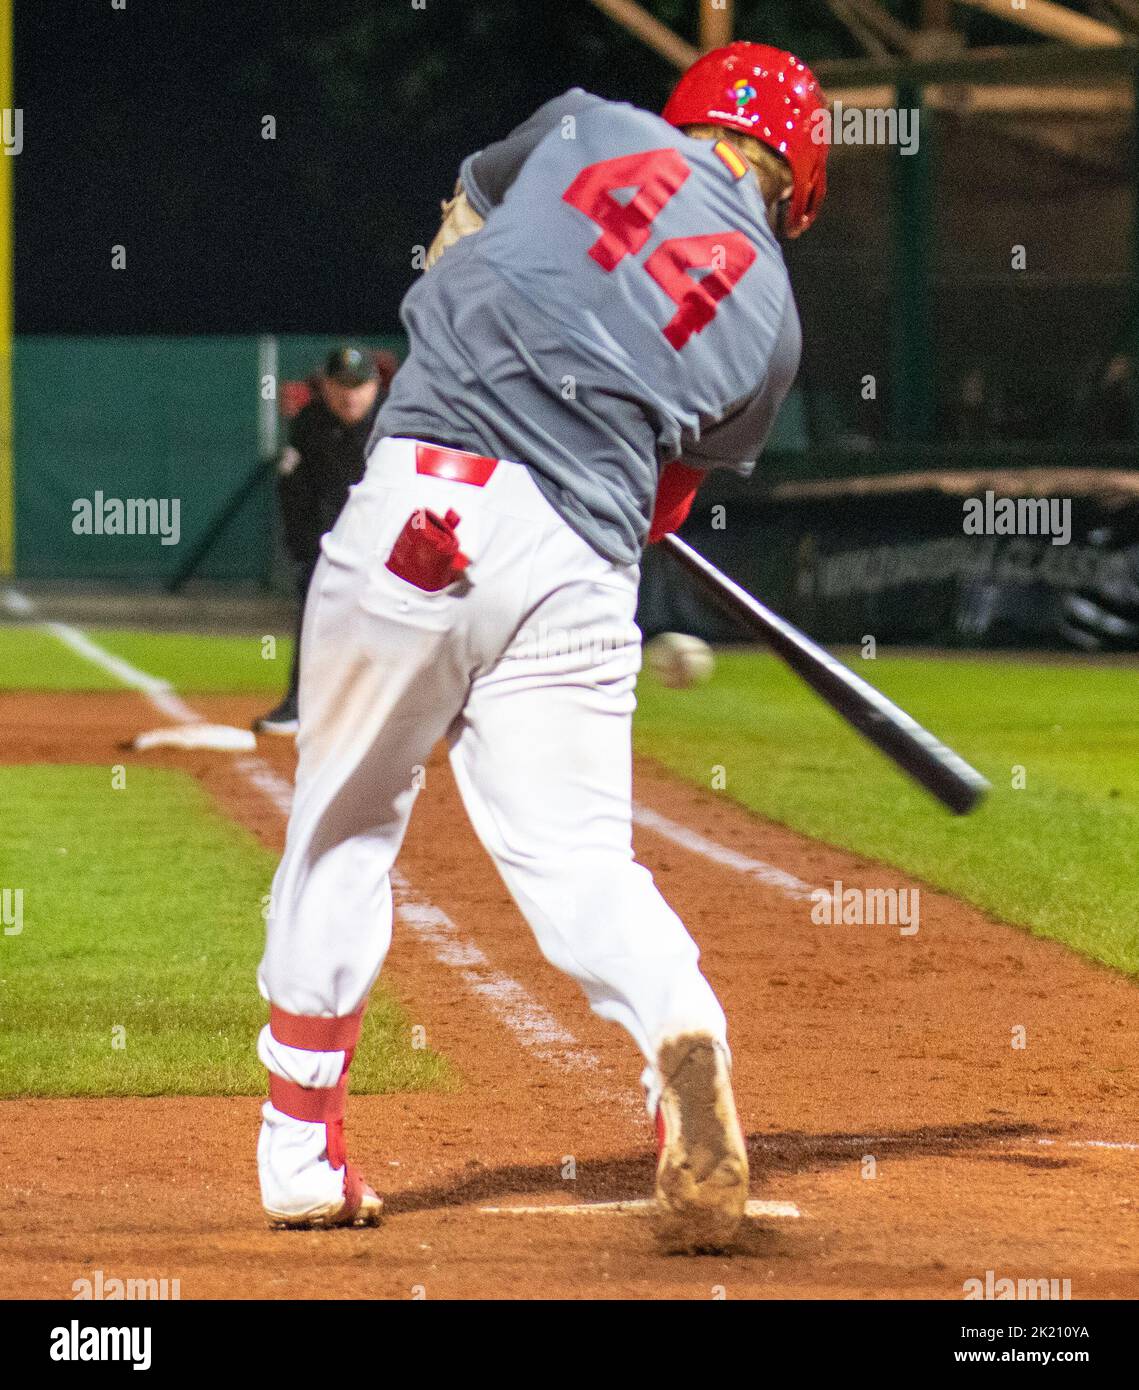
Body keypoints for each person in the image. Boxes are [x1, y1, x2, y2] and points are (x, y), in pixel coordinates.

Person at [255, 42, 828, 1252]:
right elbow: (663, 504)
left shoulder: (588, 121)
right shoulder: (772, 320)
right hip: (578, 561)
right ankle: (681, 1027)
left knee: (346, 817)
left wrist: (478, 332)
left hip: (425, 497)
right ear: (798, 179)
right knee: (578, 859)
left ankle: (301, 1151)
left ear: (688, 115)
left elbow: (468, 217)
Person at [253, 347, 386, 734]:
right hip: (328, 546)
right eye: (342, 385)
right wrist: (303, 548)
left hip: (385, 550)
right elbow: (292, 490)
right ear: (325, 386)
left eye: (359, 386)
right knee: (315, 619)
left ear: (375, 388)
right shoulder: (310, 425)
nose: (351, 395)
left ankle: (395, 714)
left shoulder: (393, 427)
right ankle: (299, 704)